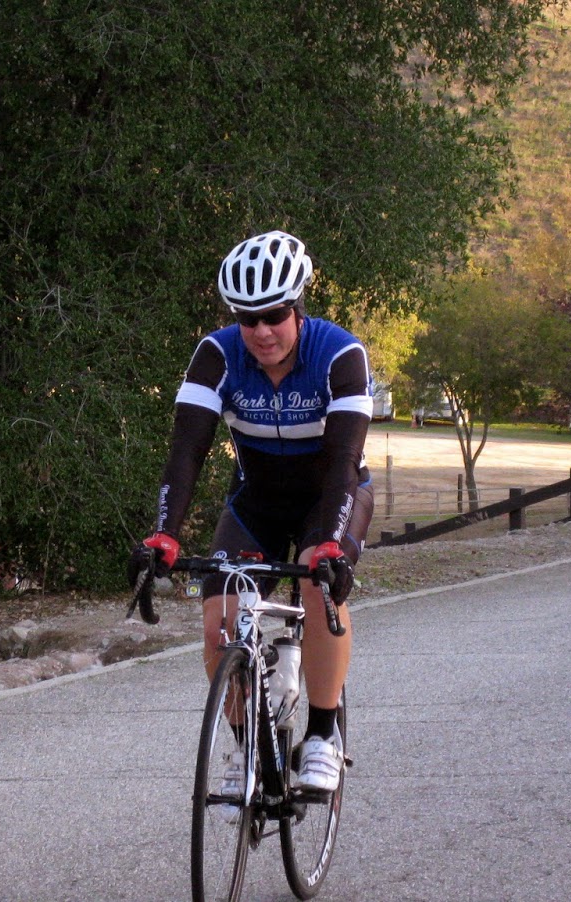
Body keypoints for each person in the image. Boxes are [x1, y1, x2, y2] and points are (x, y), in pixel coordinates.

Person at [129, 230, 374, 793]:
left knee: (317, 582)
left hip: (329, 496)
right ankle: (251, 751)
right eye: (247, 318)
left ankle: (321, 735)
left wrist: (332, 548)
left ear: (298, 307)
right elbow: (186, 452)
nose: (262, 331)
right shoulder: (217, 354)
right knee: (217, 619)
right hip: (258, 498)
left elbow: (343, 464)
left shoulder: (341, 355)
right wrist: (164, 534)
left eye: (274, 315)